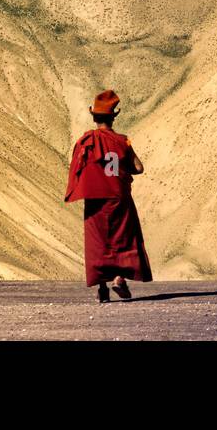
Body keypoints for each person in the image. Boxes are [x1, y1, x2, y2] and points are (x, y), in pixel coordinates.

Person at [63, 89, 152, 302]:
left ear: (94, 116)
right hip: (118, 196)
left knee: (98, 242)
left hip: (95, 198)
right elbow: (139, 168)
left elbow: (77, 168)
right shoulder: (123, 141)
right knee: (122, 238)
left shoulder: (84, 141)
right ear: (114, 116)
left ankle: (102, 288)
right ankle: (119, 278)